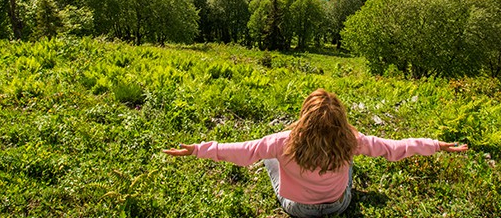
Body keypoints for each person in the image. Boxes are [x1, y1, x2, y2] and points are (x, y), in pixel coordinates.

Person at [163, 89, 468, 217]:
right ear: (340, 119)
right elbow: (394, 148)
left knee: (266, 155)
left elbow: (243, 152)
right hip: (339, 205)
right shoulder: (351, 139)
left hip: (297, 209)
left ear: (304, 115)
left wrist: (199, 150)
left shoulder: (284, 141)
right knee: (347, 165)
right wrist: (437, 145)